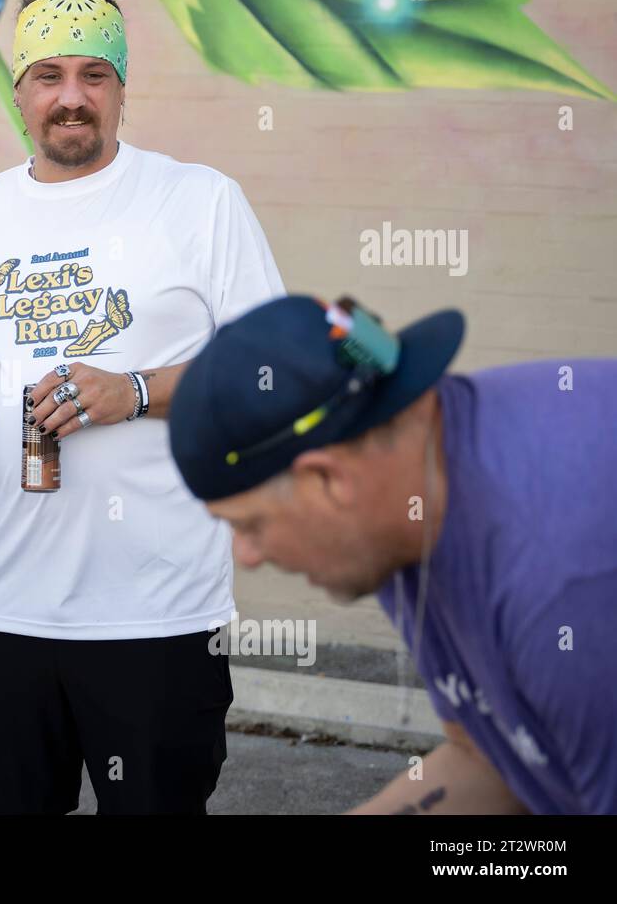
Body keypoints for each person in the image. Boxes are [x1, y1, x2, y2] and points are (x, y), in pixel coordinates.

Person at [0, 0, 285, 814]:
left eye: (93, 75)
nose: (70, 97)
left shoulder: (199, 201)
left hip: (156, 615)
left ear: (122, 89)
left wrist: (139, 390)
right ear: (18, 93)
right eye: (47, 75)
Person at [169, 293, 617, 814]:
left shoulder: (562, 581)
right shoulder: (401, 497)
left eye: (248, 525)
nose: (244, 555)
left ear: (327, 481)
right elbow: (485, 754)